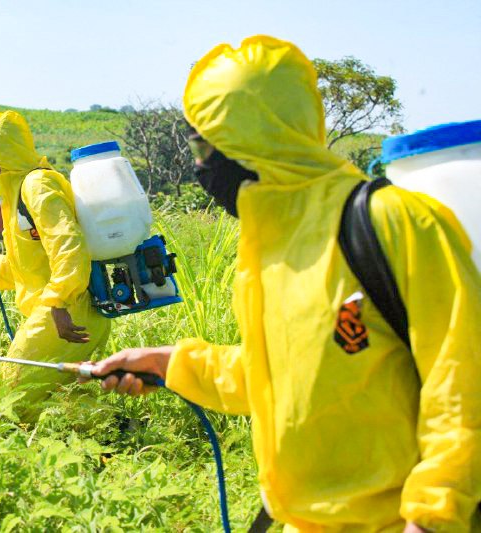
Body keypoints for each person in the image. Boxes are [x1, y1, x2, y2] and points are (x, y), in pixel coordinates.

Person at [88, 35, 481, 531]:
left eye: (204, 145)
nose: (199, 164)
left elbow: (462, 382)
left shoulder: (391, 223)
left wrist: (432, 516)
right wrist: (171, 364)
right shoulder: (268, 246)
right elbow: (283, 377)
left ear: (257, 138)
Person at [0, 110, 111, 419]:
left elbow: (69, 246)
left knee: (12, 393)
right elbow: (32, 265)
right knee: (61, 396)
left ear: (2, 156)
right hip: (66, 307)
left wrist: (59, 301)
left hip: (67, 310)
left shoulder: (37, 185)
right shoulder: (17, 190)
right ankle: (117, 438)